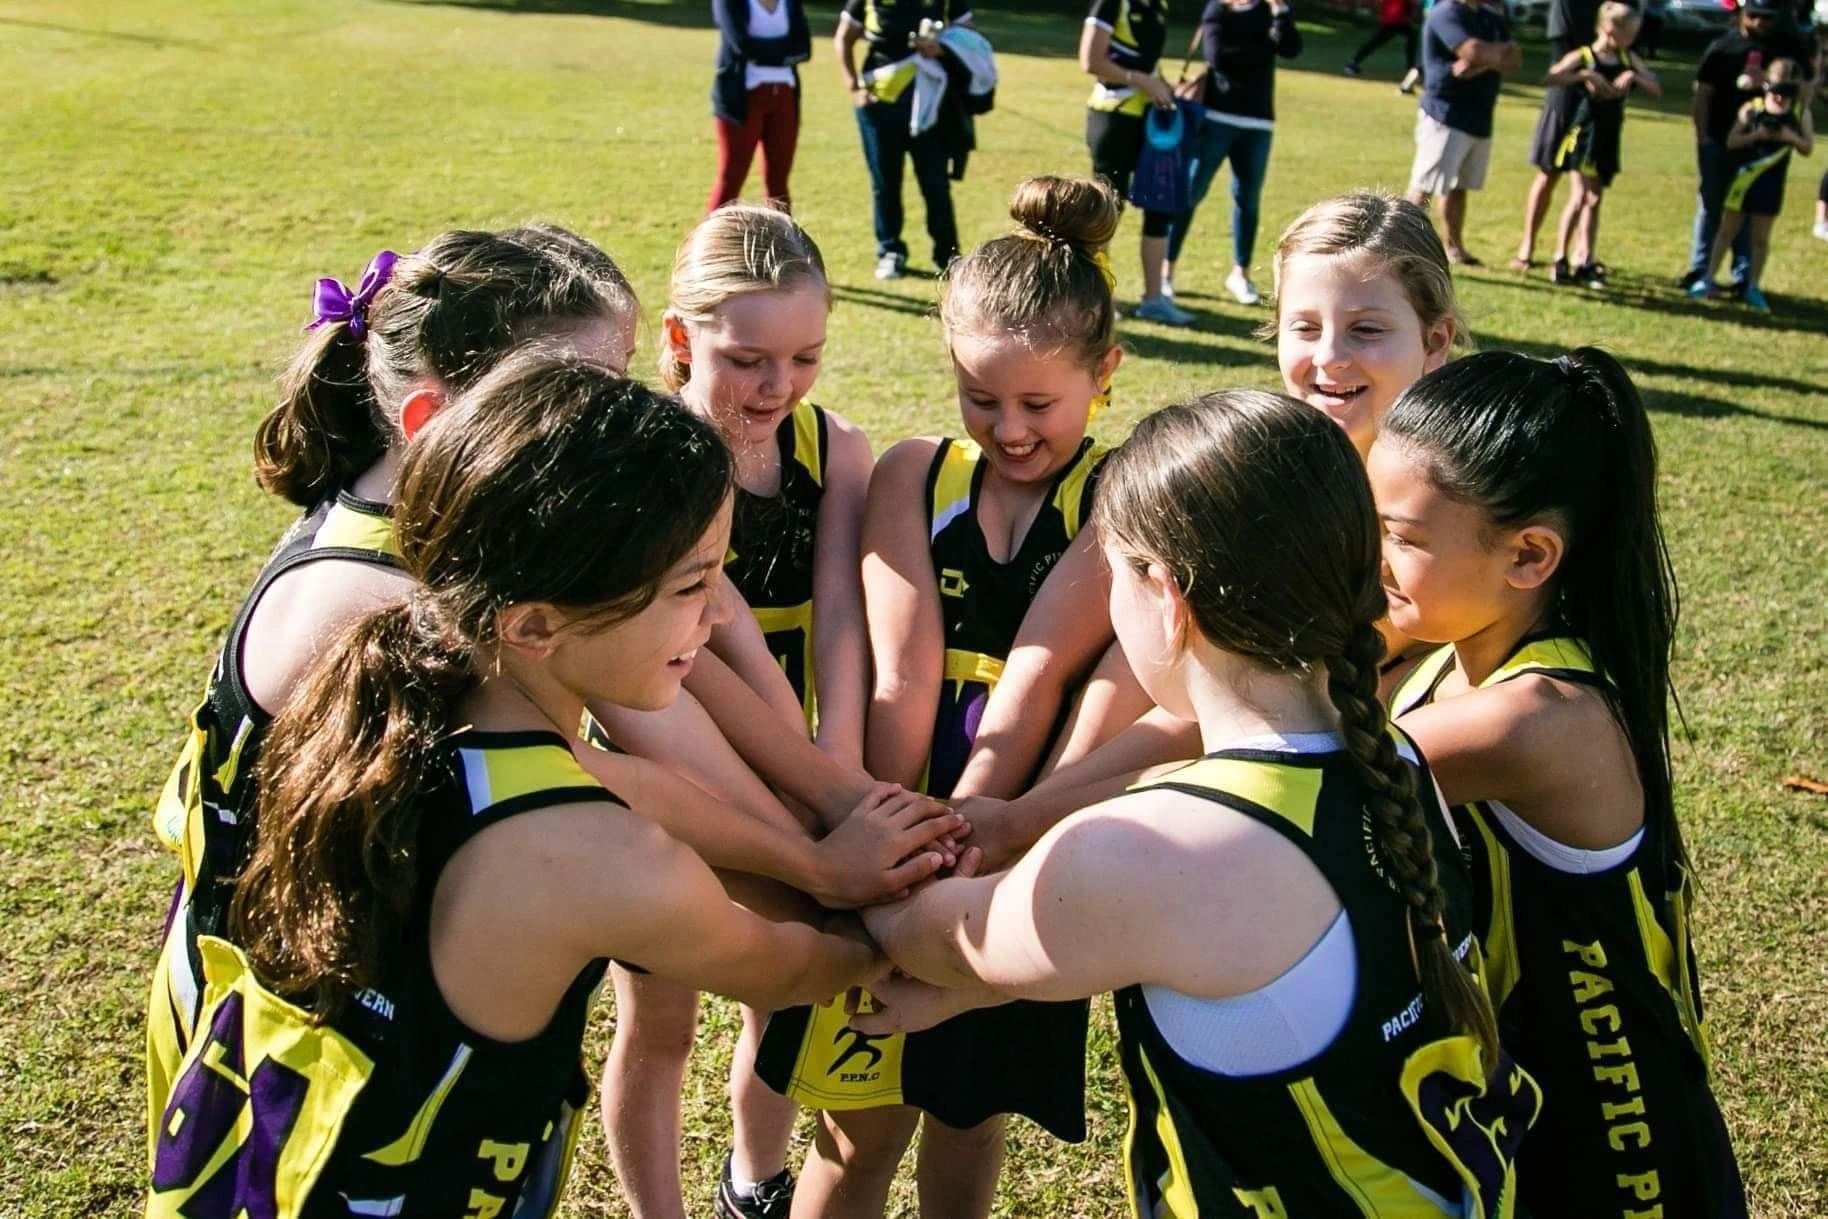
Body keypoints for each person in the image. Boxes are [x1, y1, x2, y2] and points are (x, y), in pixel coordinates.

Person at [145, 356, 889, 1219]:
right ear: (535, 624)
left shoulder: (399, 701)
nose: (719, 618)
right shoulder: (589, 859)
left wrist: (815, 860)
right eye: (692, 587)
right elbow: (789, 967)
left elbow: (643, 784)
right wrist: (885, 932)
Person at [851, 389, 1541, 1219]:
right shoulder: (1392, 757)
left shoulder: (1163, 849)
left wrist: (854, 865)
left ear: (1168, 600)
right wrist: (981, 986)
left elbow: (929, 930)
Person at [146, 227, 642, 1136]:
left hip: (363, 999)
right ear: (432, 418)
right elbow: (592, 772)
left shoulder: (439, 532)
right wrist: (811, 859)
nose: (609, 425)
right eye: (570, 399)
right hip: (298, 1041)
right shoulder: (402, 602)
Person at [756, 176, 1120, 1219]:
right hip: (893, 810)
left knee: (972, 1115)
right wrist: (883, 839)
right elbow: (902, 666)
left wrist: (974, 837)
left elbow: (1044, 668)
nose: (1008, 429)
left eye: (1037, 404)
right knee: (853, 1124)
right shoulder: (915, 472)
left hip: (1024, 831)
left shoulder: (1119, 488)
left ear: (1105, 375)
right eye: (980, 398)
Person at [939, 191, 1468, 862]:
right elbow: (1094, 663)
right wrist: (1002, 814)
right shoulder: (1251, 464)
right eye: (1303, 326)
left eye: (1365, 329)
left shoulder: (1442, 515)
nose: (1330, 356)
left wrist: (1027, 822)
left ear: (1436, 340)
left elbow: (1213, 721)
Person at [1376, 348, 1747, 1219]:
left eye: (1401, 534)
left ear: (1529, 556)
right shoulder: (1447, 652)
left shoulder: (1535, 717)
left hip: (1617, 1144)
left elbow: (1295, 781)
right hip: (1520, 1110)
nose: (1373, 553)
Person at [606, 202, 890, 1219]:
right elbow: (705, 635)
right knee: (662, 1019)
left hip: (800, 758)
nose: (778, 386)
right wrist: (825, 791)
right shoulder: (647, 460)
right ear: (679, 342)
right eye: (747, 358)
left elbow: (845, 616)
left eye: (805, 356)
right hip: (673, 766)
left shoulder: (834, 448)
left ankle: (753, 1181)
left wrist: (840, 773)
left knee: (790, 985)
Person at [1164, 0, 1302, 307]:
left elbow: (1291, 48)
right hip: (1216, 118)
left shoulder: (1272, 11)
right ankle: (1166, 270)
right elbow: (1218, 58)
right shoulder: (1219, 9)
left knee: (1247, 200)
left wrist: (1280, 13)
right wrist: (1266, 47)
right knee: (1190, 193)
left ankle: (1240, 273)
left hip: (1258, 122)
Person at [1518, 3, 1661, 284]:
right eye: (1629, 34)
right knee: (1580, 197)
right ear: (1609, 30)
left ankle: (1584, 259)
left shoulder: (1627, 58)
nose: (1633, 40)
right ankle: (1560, 259)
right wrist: (1584, 75)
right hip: (1584, 135)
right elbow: (1550, 77)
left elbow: (1656, 88)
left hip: (1608, 135)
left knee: (1594, 199)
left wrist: (1634, 75)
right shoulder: (1584, 56)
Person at [1681, 0, 1816, 293]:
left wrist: (1792, 120)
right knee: (1712, 205)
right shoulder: (1722, 47)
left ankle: (1744, 277)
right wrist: (1702, 135)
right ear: (1742, 12)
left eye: (1767, 17)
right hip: (1720, 138)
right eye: (1754, 15)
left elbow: (1806, 83)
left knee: (1750, 211)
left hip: (1764, 147)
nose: (1760, 23)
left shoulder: (1785, 48)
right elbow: (1703, 93)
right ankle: (1700, 271)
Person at [837, 0, 969, 280]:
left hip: (932, 105)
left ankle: (948, 255)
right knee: (885, 182)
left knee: (935, 184)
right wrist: (854, 87)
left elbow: (968, 38)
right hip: (880, 104)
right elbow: (843, 38)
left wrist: (941, 48)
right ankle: (890, 251)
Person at [1080, 0, 1191, 324]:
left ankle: (1154, 299)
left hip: (1149, 120)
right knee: (1106, 210)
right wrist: (1143, 81)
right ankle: (1099, 301)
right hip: (1112, 118)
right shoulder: (1112, 4)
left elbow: (1148, 61)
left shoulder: (1159, 6)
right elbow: (1090, 60)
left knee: (1160, 207)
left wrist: (1165, 86)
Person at [1692, 58, 1815, 311]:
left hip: (1771, 183)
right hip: (1744, 180)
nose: (1780, 97)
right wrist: (1756, 135)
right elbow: (1732, 141)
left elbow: (1807, 148)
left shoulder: (1800, 113)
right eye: (1776, 90)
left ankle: (1752, 286)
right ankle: (1707, 279)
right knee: (1727, 231)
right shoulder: (1753, 108)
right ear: (1767, 83)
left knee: (1760, 238)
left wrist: (1789, 136)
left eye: (1787, 92)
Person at [1406, 0, 1522, 266]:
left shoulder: (1489, 16)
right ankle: (1401, 248)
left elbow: (1515, 58)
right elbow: (1473, 51)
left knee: (1459, 187)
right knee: (1423, 186)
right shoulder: (1446, 13)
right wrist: (1489, 57)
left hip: (1478, 117)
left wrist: (1484, 59)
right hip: (1445, 115)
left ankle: (1453, 248)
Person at [709, 0, 811, 212]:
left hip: (784, 97)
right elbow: (741, 45)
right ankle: (707, 244)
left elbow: (804, 48)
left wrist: (763, 52)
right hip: (741, 100)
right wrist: (785, 52)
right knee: (731, 180)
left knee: (779, 186)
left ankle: (784, 245)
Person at [1344, 0, 1418, 86]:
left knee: (1376, 42)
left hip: (1392, 18)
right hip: (1397, 18)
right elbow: (1410, 5)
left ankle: (1354, 62)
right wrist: (1410, 14)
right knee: (1377, 42)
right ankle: (1411, 68)